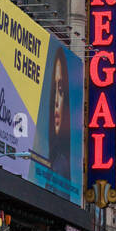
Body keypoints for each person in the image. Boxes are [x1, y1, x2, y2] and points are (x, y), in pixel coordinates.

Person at [47, 46, 72, 180]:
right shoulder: (50, 156)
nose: (57, 101)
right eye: (54, 90)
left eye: (61, 90)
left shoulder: (62, 165)